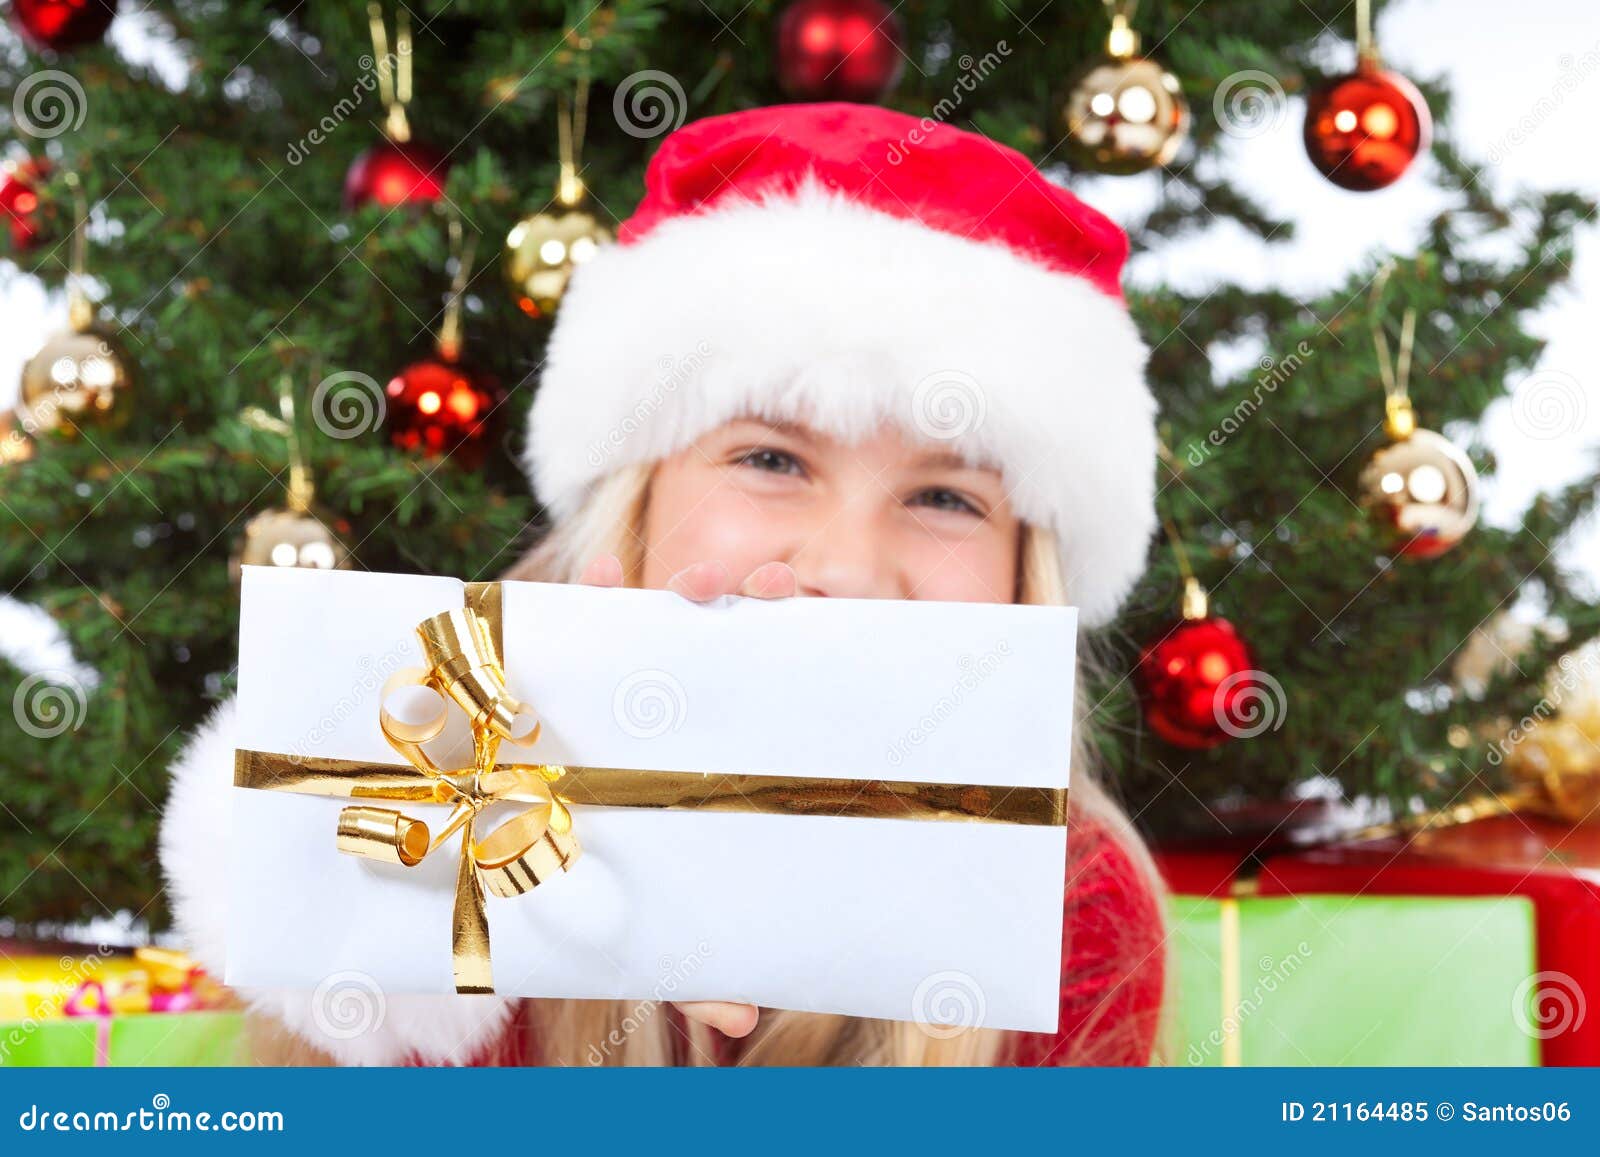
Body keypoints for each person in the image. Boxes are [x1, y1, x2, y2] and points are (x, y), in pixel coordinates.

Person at [161, 102, 1172, 1067]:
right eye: (772, 459)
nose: (848, 567)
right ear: (636, 505)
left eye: (947, 496)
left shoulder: (1073, 905)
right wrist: (500, 905)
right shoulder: (456, 759)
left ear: (1023, 575)